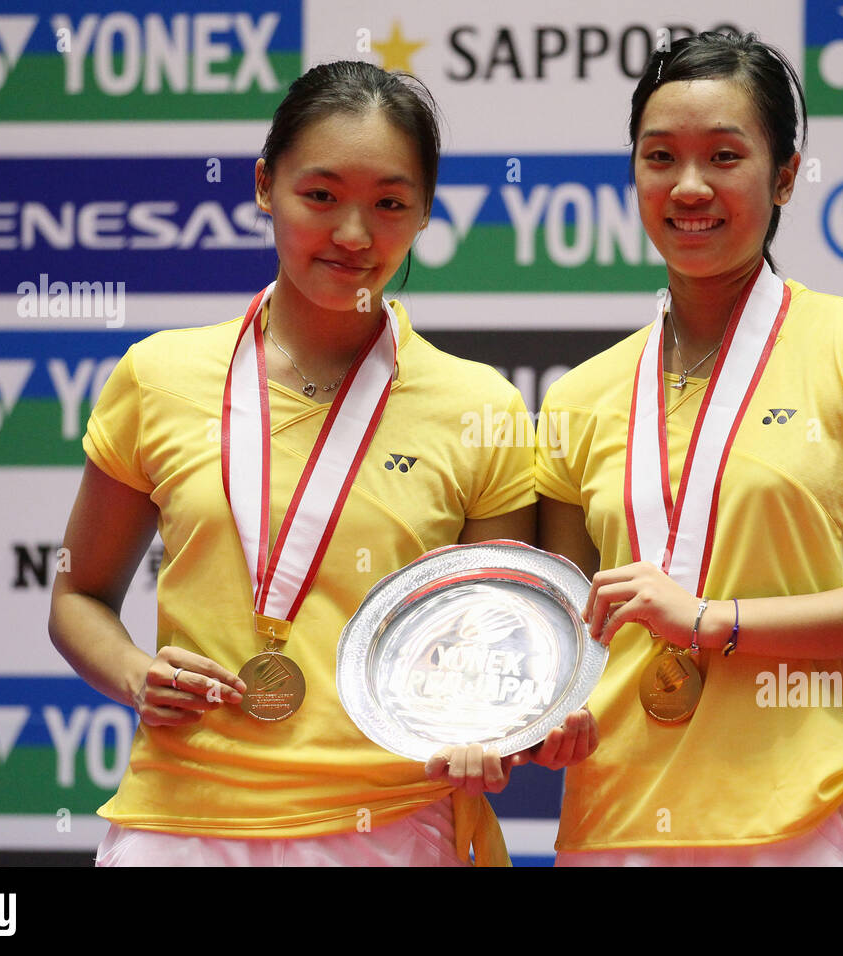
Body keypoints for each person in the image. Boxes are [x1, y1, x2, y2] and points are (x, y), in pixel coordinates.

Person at [48, 60, 591, 867]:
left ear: (425, 213)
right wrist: (133, 672)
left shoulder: (481, 407)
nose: (352, 235)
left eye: (390, 204)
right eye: (321, 195)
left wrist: (494, 731)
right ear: (266, 185)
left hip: (394, 826)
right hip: (182, 824)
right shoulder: (158, 376)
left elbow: (492, 653)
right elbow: (77, 596)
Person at [535, 32, 843, 866]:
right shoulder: (579, 395)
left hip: (802, 827)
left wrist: (710, 622)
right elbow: (565, 639)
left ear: (784, 176)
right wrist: (546, 718)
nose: (689, 186)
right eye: (660, 156)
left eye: (724, 156)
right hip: (613, 826)